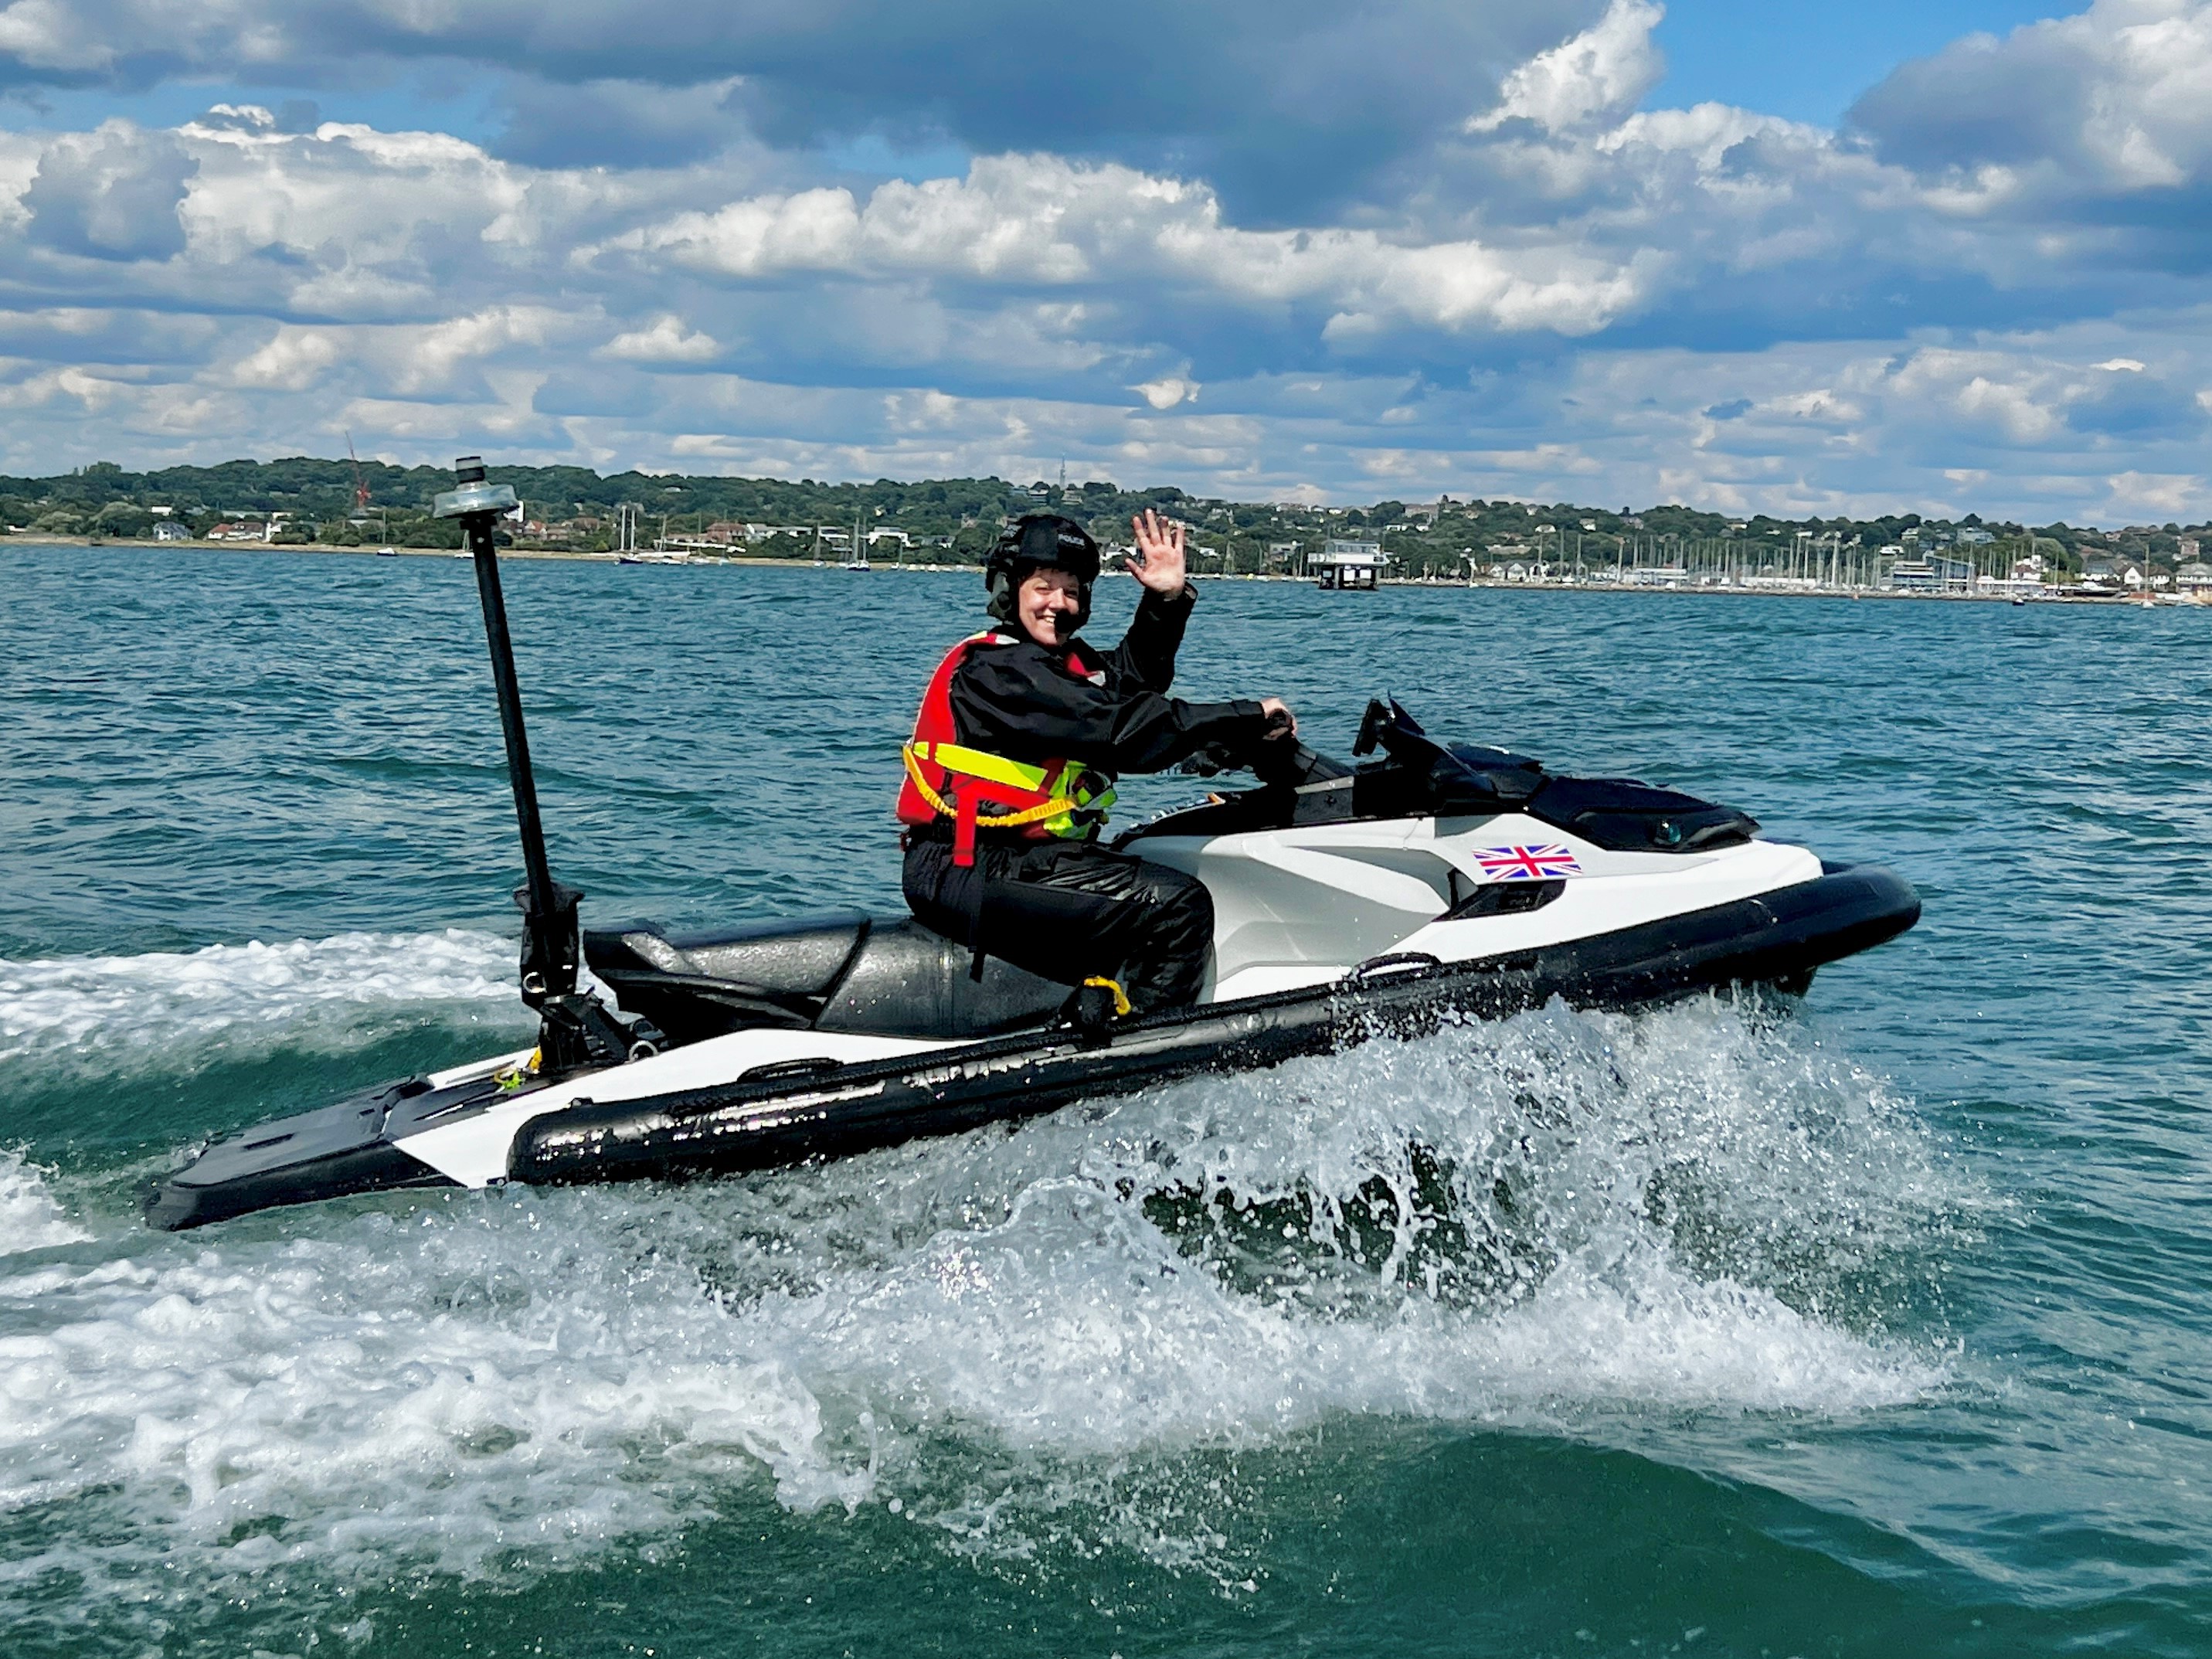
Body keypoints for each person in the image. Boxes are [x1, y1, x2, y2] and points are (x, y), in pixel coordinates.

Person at [897, 508, 1296, 1015]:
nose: (1058, 604)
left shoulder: (1060, 666)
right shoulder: (997, 670)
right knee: (1177, 905)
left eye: (1071, 591)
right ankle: (1150, 1045)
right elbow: (1119, 730)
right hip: (969, 865)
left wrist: (1165, 599)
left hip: (1013, 857)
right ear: (1009, 590)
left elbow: (1132, 682)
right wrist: (1246, 714)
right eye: (1043, 588)